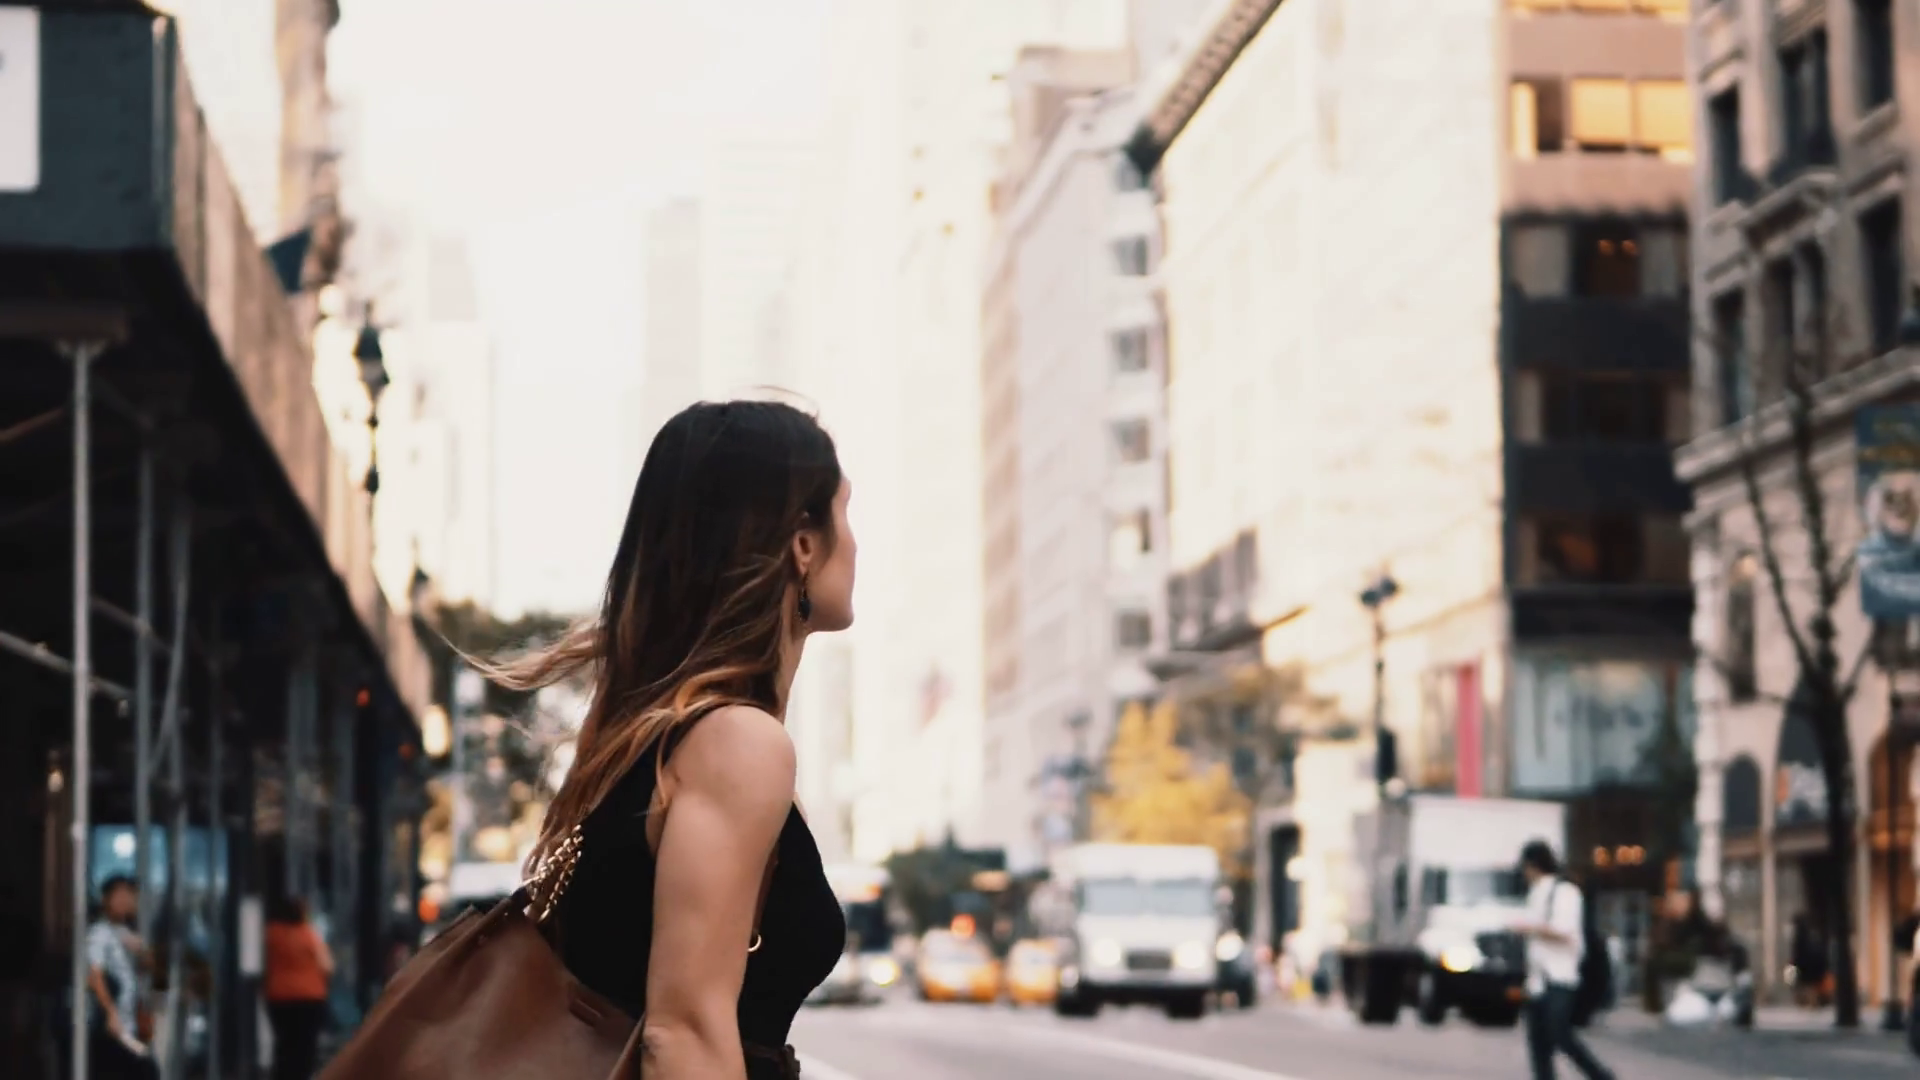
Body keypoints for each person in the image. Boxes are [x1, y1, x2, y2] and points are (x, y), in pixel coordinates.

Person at [493, 400, 855, 1080]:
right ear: (802, 545)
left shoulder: (654, 738)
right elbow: (682, 1035)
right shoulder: (736, 745)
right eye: (844, 510)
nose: (855, 541)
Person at [1516, 841, 1613, 1080]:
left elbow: (1564, 931)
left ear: (1532, 866)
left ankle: (1601, 1076)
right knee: (1538, 1045)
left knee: (1560, 1034)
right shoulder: (1537, 893)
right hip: (1537, 980)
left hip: (1561, 977)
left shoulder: (1565, 892)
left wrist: (1530, 928)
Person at [85, 875, 157, 1080]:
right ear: (106, 899)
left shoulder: (123, 933)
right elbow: (95, 975)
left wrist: (142, 950)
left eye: (130, 896)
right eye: (120, 895)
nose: (126, 901)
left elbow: (149, 965)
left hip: (126, 1024)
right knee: (145, 1069)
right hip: (111, 1028)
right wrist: (111, 1013)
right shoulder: (99, 933)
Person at [264, 895, 334, 1080]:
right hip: (309, 997)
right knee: (305, 1046)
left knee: (284, 1044)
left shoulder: (271, 934)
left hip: (278, 996)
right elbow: (327, 966)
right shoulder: (308, 935)